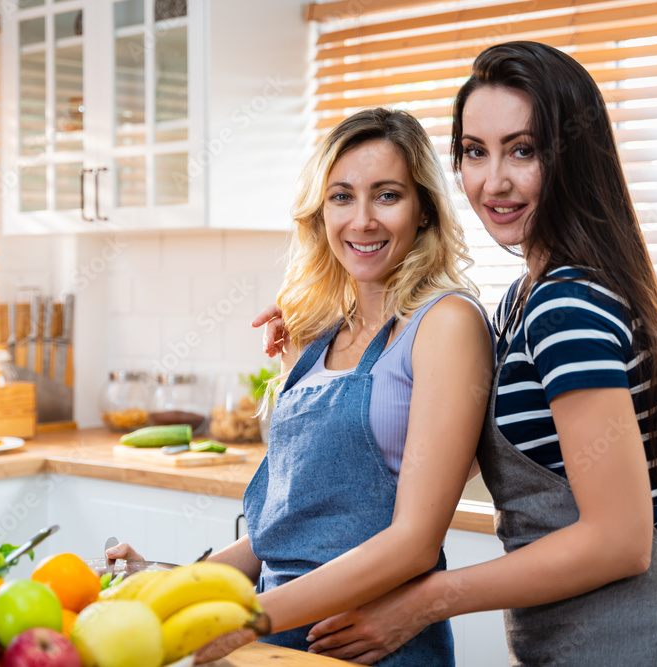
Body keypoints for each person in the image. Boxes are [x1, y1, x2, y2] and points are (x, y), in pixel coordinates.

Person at [259, 41, 657, 666]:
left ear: (571, 155)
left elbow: (620, 540)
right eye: (474, 152)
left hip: (624, 639)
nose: (494, 181)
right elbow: (432, 451)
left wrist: (425, 600)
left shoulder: (565, 308)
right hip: (565, 638)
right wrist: (332, 336)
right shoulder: (524, 300)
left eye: (523, 150)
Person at [109, 107, 494, 665]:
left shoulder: (446, 323)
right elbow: (284, 538)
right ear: (319, 212)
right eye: (341, 197)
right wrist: (165, 587)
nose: (362, 220)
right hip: (278, 646)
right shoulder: (317, 336)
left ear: (424, 211)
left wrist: (247, 620)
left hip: (372, 647)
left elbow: (413, 544)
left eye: (387, 195)